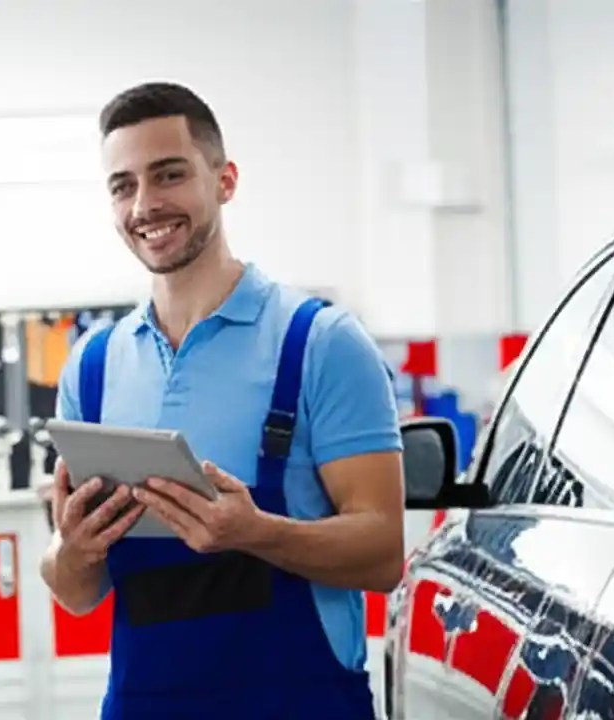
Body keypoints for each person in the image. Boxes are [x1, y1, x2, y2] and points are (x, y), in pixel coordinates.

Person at [40, 81, 406, 719]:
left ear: (225, 180)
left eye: (169, 174)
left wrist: (256, 532)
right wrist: (71, 551)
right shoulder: (93, 367)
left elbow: (383, 555)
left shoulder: (320, 343)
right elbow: (77, 594)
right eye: (123, 185)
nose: (145, 205)